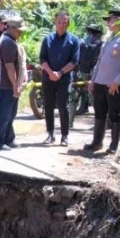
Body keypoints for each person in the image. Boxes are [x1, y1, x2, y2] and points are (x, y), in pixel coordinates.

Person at [85, 9, 120, 153]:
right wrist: (93, 80)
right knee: (99, 112)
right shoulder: (109, 37)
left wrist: (118, 81)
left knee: (114, 113)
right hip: (100, 82)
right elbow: (100, 61)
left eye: (109, 19)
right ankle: (96, 142)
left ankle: (113, 146)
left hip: (114, 84)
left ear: (118, 19)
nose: (107, 22)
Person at [38, 10, 81, 146]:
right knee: (48, 106)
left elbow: (74, 61)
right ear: (55, 23)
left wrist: (60, 73)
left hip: (64, 79)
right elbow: (42, 59)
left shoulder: (73, 40)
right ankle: (50, 134)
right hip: (48, 78)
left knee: (63, 106)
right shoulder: (48, 39)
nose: (62, 25)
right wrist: (51, 73)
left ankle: (64, 136)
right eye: (59, 22)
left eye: (64, 22)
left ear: (68, 23)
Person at [0, 16, 27, 151]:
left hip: (9, 85)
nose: (20, 33)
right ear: (11, 28)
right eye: (18, 30)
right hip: (5, 86)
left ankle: (8, 138)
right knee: (3, 114)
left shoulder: (11, 40)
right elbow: (10, 67)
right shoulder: (8, 43)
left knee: (10, 114)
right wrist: (15, 85)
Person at [74, 23, 104, 115]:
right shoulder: (84, 42)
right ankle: (87, 108)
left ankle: (91, 109)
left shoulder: (83, 41)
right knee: (87, 89)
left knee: (88, 89)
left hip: (89, 70)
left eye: (93, 32)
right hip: (89, 70)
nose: (91, 34)